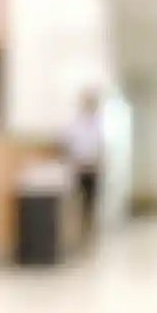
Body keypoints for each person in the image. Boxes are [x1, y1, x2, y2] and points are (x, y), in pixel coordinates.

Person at [65, 90, 103, 246]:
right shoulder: (75, 124)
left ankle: (88, 236)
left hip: (93, 169)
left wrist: (99, 163)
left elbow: (100, 148)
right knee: (78, 204)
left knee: (91, 204)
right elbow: (69, 145)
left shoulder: (97, 124)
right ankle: (77, 236)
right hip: (79, 169)